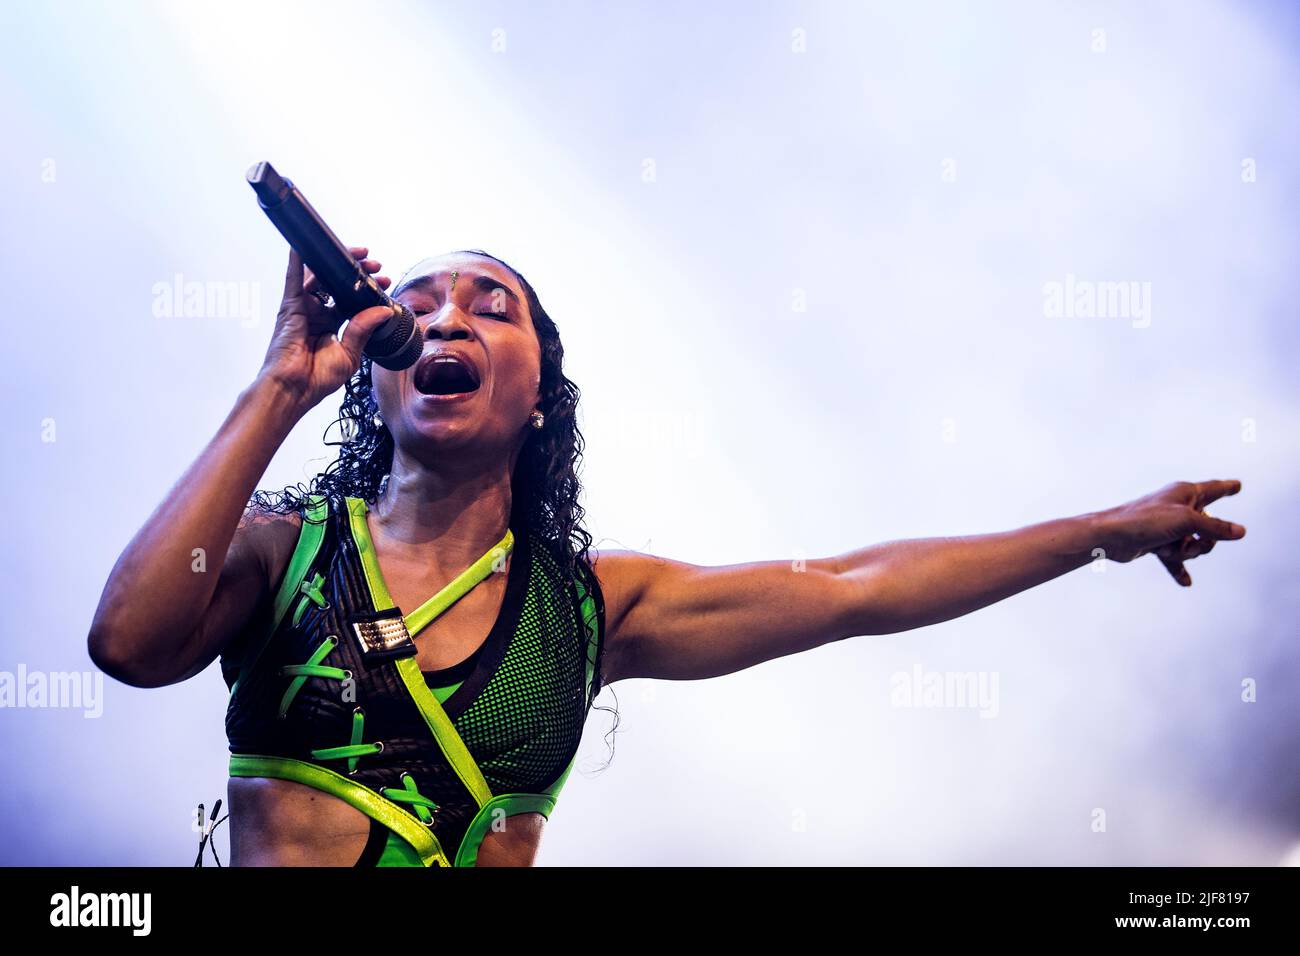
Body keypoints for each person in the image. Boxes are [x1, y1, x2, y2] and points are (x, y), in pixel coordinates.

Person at [87, 244, 1248, 867]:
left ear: (540, 391)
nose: (444, 320)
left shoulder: (590, 605)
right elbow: (128, 646)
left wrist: (1099, 532)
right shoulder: (281, 550)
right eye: (421, 306)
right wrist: (280, 385)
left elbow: (852, 589)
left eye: (490, 307)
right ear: (380, 375)